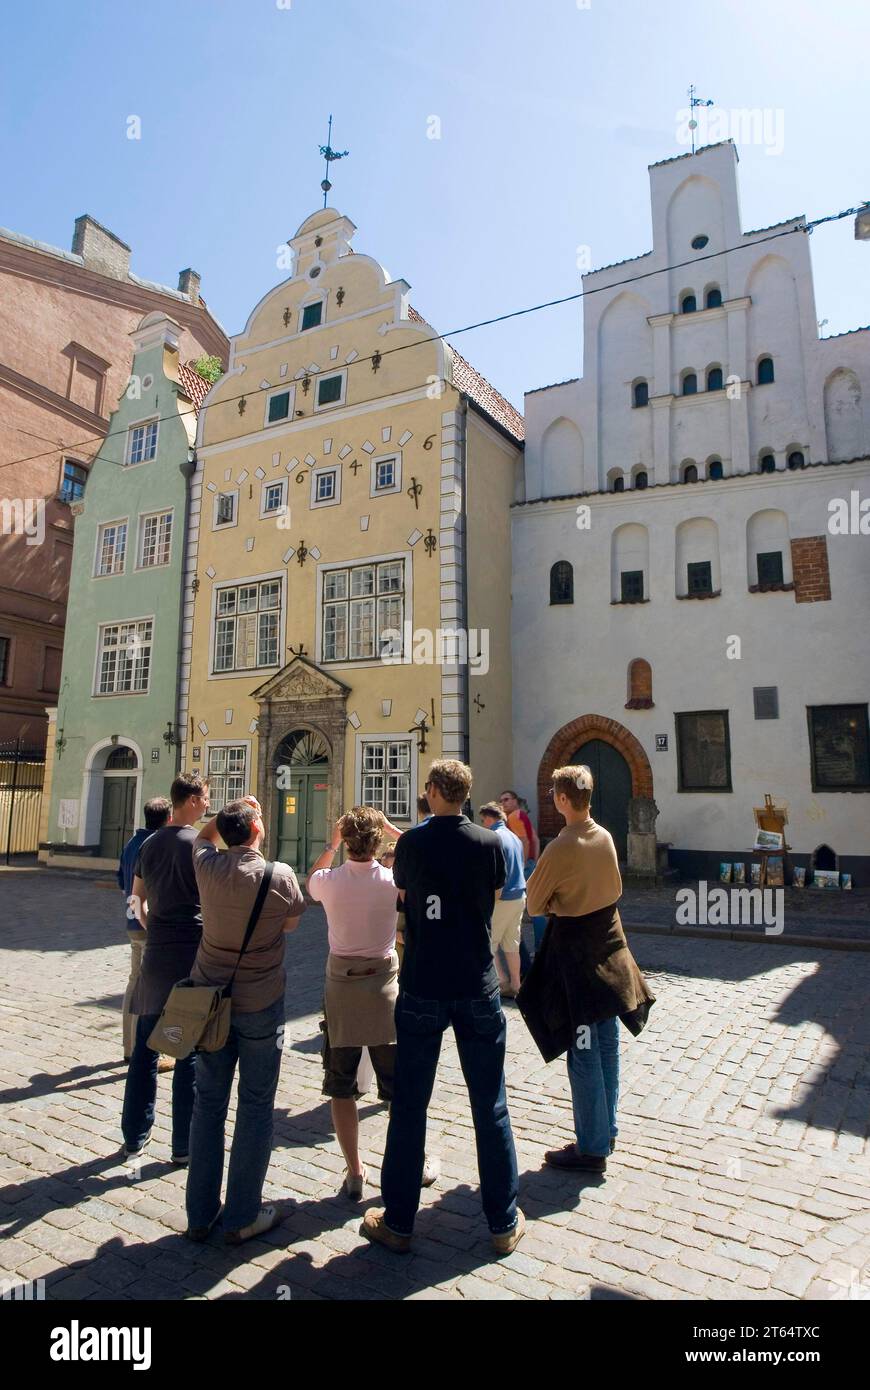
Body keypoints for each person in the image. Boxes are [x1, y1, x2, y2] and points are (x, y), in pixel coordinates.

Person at [362, 759, 524, 1257]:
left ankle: (399, 1221)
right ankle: (501, 1221)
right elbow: (495, 893)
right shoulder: (490, 842)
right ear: (466, 794)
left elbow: (404, 893)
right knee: (489, 1105)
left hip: (423, 984)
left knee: (410, 1103)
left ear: (432, 791)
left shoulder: (411, 843)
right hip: (475, 983)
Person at [522, 765, 655, 1174]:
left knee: (582, 1051)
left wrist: (560, 901)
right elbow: (614, 888)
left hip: (577, 955)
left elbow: (533, 904)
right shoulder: (605, 835)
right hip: (609, 947)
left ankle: (593, 1145)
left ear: (563, 799)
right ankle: (606, 1128)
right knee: (607, 1043)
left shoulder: (561, 846)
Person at [186, 796, 304, 1245]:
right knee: (255, 1107)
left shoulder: (207, 867)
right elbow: (291, 926)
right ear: (257, 831)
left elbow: (201, 836)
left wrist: (230, 812)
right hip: (260, 1002)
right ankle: (241, 1216)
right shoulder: (280, 876)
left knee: (208, 1105)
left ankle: (199, 1214)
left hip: (210, 1003)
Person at [308, 807, 413, 1200]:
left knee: (342, 1085)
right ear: (378, 842)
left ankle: (354, 1171)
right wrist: (395, 832)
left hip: (341, 988)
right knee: (398, 1087)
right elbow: (421, 856)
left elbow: (311, 881)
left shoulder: (330, 882)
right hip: (384, 985)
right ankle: (404, 1163)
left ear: (346, 840)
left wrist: (332, 844)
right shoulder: (391, 881)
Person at [121, 773, 209, 1162]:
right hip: (189, 954)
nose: (208, 804)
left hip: (156, 955)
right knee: (186, 1050)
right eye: (205, 798)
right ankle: (184, 1145)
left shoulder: (150, 843)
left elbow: (136, 898)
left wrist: (149, 924)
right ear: (190, 800)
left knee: (145, 1049)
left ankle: (135, 1135)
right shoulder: (199, 846)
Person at [117, 797, 170, 1064]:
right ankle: (149, 1049)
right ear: (167, 819)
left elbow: (120, 881)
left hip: (131, 923)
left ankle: (129, 1047)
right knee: (154, 988)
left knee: (134, 983)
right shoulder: (156, 845)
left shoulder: (130, 844)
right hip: (150, 924)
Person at [478, 802, 526, 999]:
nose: (483, 825)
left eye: (483, 821)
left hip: (502, 898)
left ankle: (500, 980)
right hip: (519, 895)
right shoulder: (514, 837)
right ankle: (516, 984)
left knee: (489, 942)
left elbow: (492, 873)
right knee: (511, 944)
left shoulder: (494, 838)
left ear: (490, 818)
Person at [500, 788, 547, 960]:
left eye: (506, 799)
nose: (503, 803)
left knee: (526, 908)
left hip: (524, 866)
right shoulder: (523, 816)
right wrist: (536, 860)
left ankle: (527, 950)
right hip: (531, 864)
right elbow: (535, 839)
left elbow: (525, 841)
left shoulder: (514, 817)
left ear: (515, 801)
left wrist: (522, 865)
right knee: (535, 907)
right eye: (501, 800)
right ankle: (541, 945)